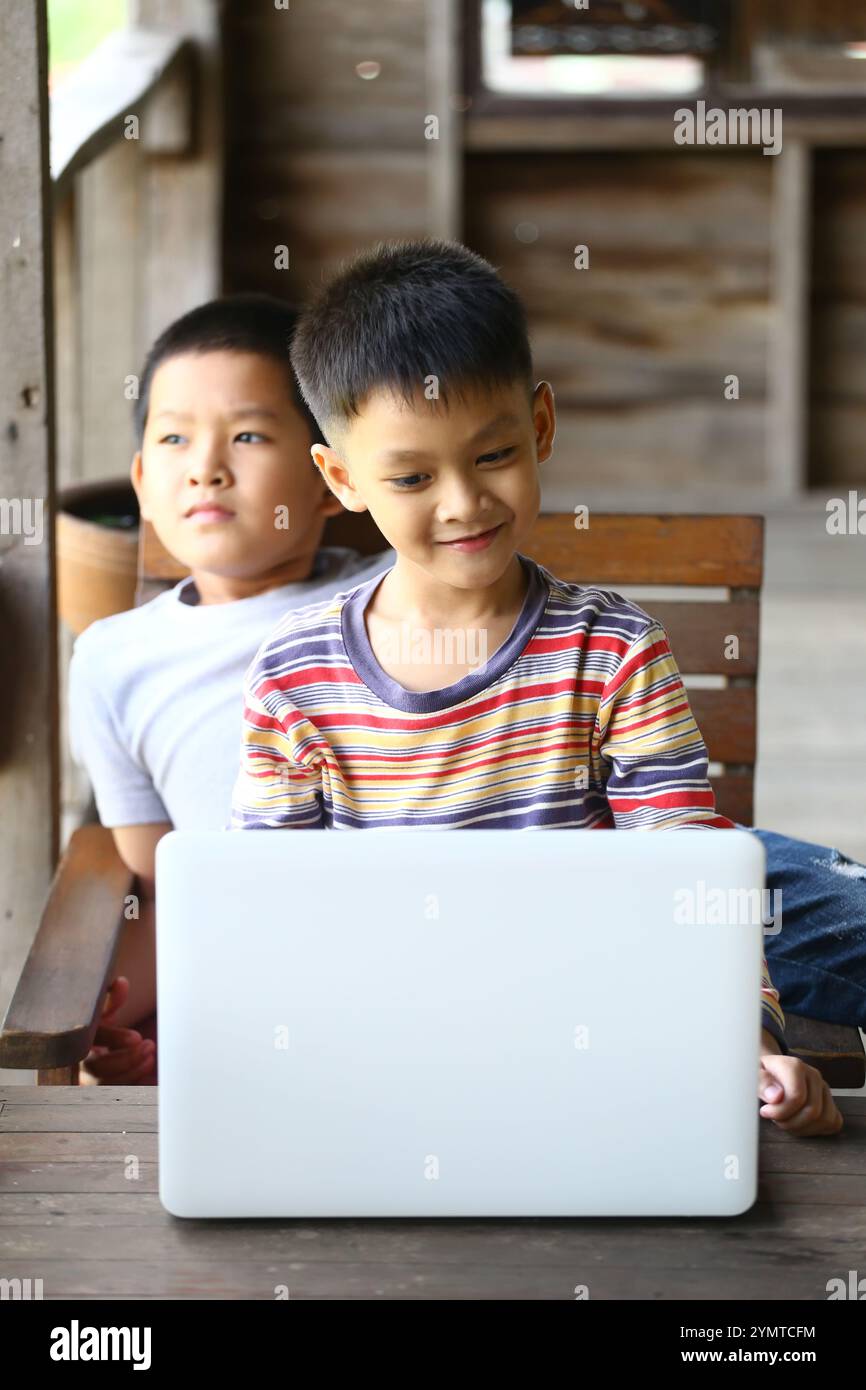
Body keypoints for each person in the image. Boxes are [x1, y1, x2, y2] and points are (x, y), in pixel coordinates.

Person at [230, 238, 860, 1137]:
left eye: (493, 456)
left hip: (594, 1040)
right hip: (388, 1055)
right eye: (411, 477)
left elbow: (687, 874)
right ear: (340, 478)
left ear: (543, 427)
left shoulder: (614, 651)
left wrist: (743, 1039)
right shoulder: (294, 676)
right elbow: (271, 916)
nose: (462, 502)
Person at [68, 294, 395, 1084]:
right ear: (145, 481)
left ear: (331, 476)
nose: (206, 465)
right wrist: (114, 1015)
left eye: (247, 434)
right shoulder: (115, 658)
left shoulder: (397, 596)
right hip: (249, 991)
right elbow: (164, 882)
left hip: (403, 957)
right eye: (175, 437)